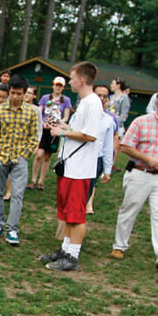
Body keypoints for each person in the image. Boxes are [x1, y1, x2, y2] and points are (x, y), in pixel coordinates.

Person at [109, 89, 158, 269]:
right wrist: (148, 159)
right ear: (156, 104)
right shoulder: (141, 122)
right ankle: (119, 246)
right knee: (130, 210)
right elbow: (125, 146)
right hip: (140, 172)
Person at [37, 62, 104, 272]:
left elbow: (90, 135)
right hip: (71, 166)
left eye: (72, 78)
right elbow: (81, 130)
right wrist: (65, 126)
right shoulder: (84, 102)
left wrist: (63, 133)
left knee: (76, 214)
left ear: (81, 80)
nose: (70, 82)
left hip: (80, 170)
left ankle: (73, 257)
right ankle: (65, 250)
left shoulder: (93, 103)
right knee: (67, 212)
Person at [0, 75, 39, 247]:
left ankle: (12, 229)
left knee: (17, 195)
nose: (15, 97)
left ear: (24, 93)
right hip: (1, 157)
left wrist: (25, 155)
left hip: (20, 158)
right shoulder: (0, 110)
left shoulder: (31, 111)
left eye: (19, 94)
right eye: (13, 93)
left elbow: (34, 136)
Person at [30, 76, 72, 191]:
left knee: (47, 157)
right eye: (56, 85)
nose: (58, 88)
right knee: (39, 155)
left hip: (55, 130)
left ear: (63, 88)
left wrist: (58, 123)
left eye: (60, 86)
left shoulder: (66, 100)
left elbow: (66, 116)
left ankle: (41, 181)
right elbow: (39, 112)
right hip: (44, 129)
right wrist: (43, 123)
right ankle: (33, 180)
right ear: (53, 86)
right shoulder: (45, 98)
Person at [85, 83, 118, 214]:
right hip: (79, 158)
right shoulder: (83, 114)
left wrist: (107, 170)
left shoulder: (108, 120)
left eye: (105, 96)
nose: (102, 99)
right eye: (99, 95)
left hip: (96, 160)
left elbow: (108, 147)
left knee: (87, 192)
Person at [110, 78, 131, 170]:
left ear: (118, 85)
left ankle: (111, 165)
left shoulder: (124, 98)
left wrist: (116, 124)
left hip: (117, 126)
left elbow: (123, 114)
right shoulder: (111, 97)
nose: (111, 85)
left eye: (113, 83)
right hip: (108, 124)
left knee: (115, 147)